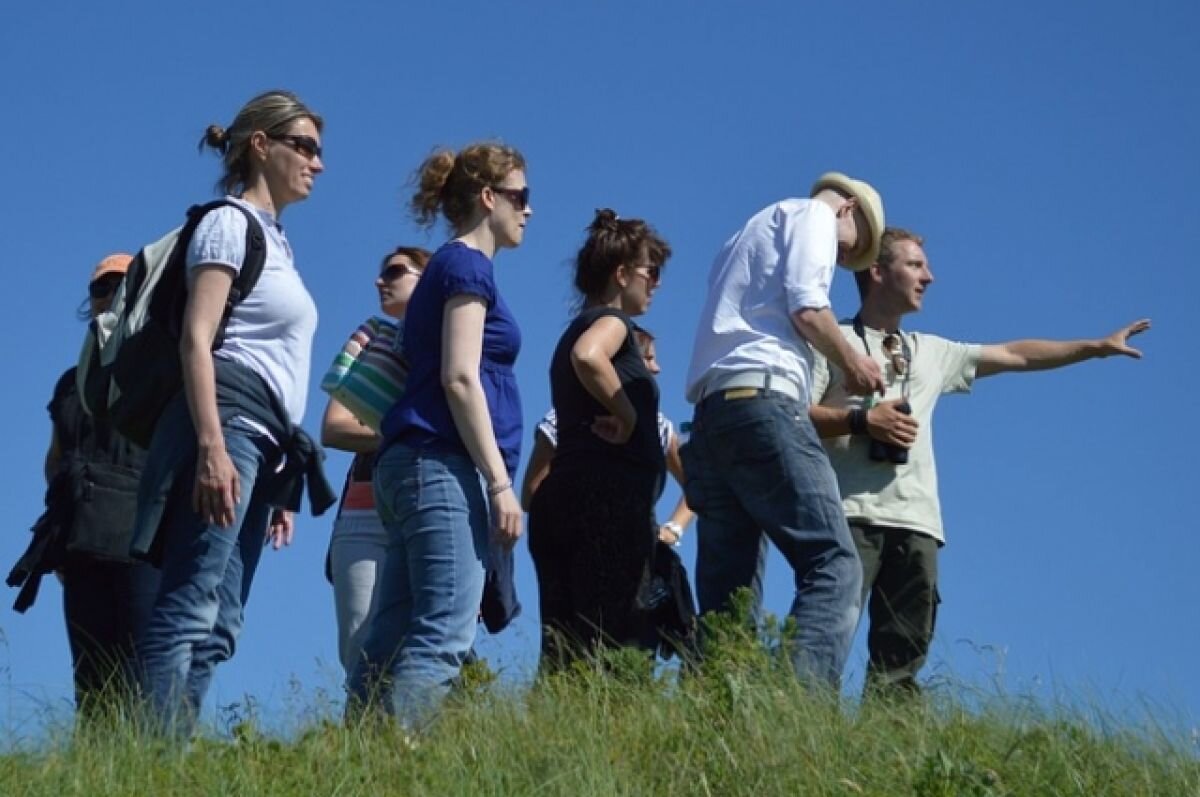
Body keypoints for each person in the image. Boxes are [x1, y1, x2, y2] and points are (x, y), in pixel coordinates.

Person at [808, 227, 1150, 696]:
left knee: (901, 661)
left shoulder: (932, 351)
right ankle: (805, 727)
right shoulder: (833, 343)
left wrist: (1093, 347)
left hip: (918, 523)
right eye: (915, 265)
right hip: (850, 515)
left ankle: (889, 747)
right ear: (877, 271)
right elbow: (796, 417)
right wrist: (863, 421)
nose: (929, 277)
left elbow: (1014, 354)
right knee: (827, 636)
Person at [132, 90, 332, 735]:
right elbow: (198, 338)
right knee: (190, 605)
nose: (317, 163)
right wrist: (214, 447)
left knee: (220, 625)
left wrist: (277, 489)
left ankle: (171, 756)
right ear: (260, 145)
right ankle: (153, 765)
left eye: (318, 151)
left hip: (264, 443)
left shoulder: (278, 241)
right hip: (228, 426)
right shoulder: (228, 223)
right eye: (304, 146)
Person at [681, 171, 887, 688]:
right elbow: (808, 308)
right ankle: (799, 712)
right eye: (851, 250)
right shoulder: (816, 216)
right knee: (836, 564)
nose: (843, 261)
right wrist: (852, 363)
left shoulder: (746, 233)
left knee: (729, 601)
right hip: (764, 403)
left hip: (712, 415)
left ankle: (710, 722)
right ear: (849, 211)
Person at [349, 142, 530, 725]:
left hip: (410, 465)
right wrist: (501, 485)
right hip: (440, 464)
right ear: (488, 198)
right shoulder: (468, 267)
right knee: (442, 633)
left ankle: (353, 765)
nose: (529, 210)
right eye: (520, 197)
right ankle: (405, 769)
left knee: (392, 631)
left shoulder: (446, 269)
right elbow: (459, 377)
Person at [527, 209, 672, 669]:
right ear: (622, 273)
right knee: (616, 642)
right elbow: (588, 357)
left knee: (565, 649)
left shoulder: (576, 326)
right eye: (652, 271)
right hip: (606, 503)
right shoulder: (613, 323)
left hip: (564, 500)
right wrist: (627, 414)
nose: (657, 283)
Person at [48, 254, 162, 717]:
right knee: (92, 679)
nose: (110, 295)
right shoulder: (71, 383)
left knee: (144, 672)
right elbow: (55, 460)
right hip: (83, 541)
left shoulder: (163, 365)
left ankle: (150, 778)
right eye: (101, 288)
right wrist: (58, 527)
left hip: (144, 537)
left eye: (121, 285)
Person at [322, 246, 430, 679]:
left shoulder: (453, 343)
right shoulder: (372, 338)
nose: (380, 280)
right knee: (362, 645)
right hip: (366, 511)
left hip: (429, 503)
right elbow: (334, 427)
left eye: (395, 271)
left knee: (429, 642)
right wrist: (408, 432)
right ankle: (365, 740)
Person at [520, 325, 695, 546]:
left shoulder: (657, 426)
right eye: (648, 359)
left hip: (637, 550)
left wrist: (673, 529)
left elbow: (695, 483)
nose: (657, 369)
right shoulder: (565, 417)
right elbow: (530, 494)